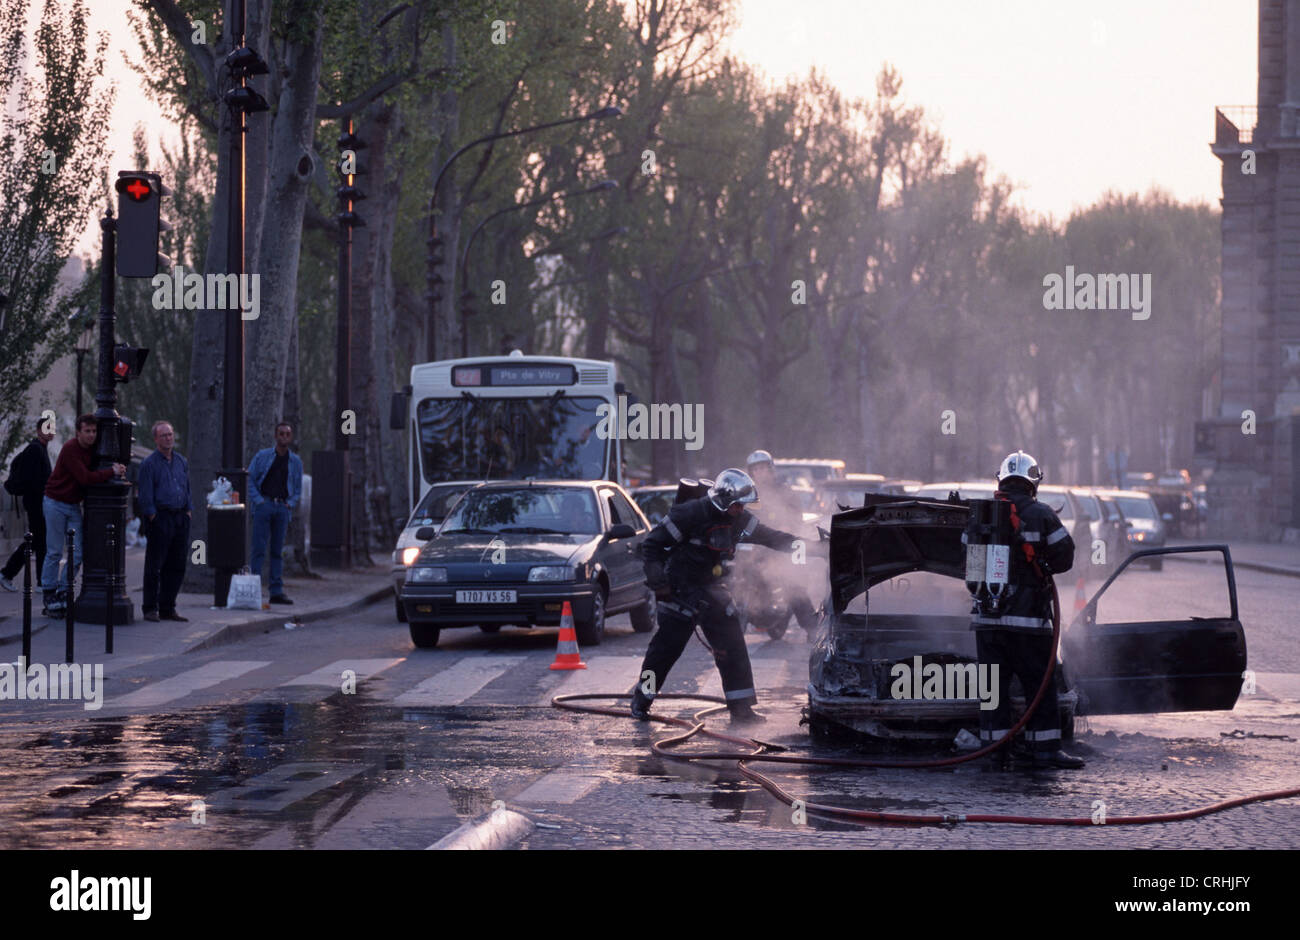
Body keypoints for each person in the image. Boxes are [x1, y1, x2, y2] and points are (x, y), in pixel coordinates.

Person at [630, 468, 807, 725]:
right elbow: (652, 545)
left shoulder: (739, 520)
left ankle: (741, 709)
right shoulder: (689, 514)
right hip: (678, 591)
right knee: (663, 653)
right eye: (737, 506)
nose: (741, 511)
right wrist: (659, 583)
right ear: (723, 500)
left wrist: (806, 546)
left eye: (742, 506)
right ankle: (641, 701)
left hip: (711, 588)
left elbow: (771, 537)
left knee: (733, 646)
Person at [969, 450, 1082, 769]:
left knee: (991, 690)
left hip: (987, 624)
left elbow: (967, 563)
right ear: (1033, 483)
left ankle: (993, 751)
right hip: (1029, 623)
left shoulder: (981, 514)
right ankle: (1043, 751)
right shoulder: (1042, 514)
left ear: (1001, 480)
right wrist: (1042, 565)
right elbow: (1065, 555)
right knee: (1039, 686)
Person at [41, 415, 126, 615]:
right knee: (54, 551)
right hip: (55, 502)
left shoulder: (94, 450)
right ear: (78, 432)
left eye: (94, 431)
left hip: (73, 505)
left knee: (78, 552)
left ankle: (63, 591)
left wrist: (115, 468)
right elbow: (85, 478)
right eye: (87, 431)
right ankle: (49, 593)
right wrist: (112, 472)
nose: (91, 435)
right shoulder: (71, 449)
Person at [744, 449, 819, 639]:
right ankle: (767, 616)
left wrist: (785, 527)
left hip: (790, 543)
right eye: (756, 469)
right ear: (751, 473)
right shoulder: (749, 495)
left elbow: (795, 518)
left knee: (794, 583)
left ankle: (812, 628)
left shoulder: (784, 491)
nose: (760, 473)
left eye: (763, 468)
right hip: (762, 544)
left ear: (771, 469)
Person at [137, 420, 192, 622]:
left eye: (170, 434)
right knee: (155, 565)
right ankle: (150, 608)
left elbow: (187, 487)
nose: (168, 438)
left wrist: (188, 511)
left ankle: (168, 607)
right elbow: (144, 495)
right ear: (156, 439)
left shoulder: (181, 461)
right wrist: (153, 516)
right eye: (163, 435)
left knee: (177, 564)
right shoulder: (149, 464)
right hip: (161, 517)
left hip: (180, 516)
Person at [247, 421, 303, 605]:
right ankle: (253, 590)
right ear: (275, 436)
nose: (284, 437)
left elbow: (297, 488)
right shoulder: (263, 456)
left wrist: (290, 504)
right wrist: (259, 501)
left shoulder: (295, 461)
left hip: (282, 508)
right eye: (281, 433)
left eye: (287, 434)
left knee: (277, 551)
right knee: (258, 549)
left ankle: (276, 591)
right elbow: (250, 479)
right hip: (265, 505)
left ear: (291, 437)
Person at [0, 420, 55, 593]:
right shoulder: (35, 449)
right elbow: (32, 479)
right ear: (39, 430)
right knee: (37, 540)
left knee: (38, 541)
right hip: (36, 502)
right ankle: (12, 575)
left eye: (52, 429)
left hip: (39, 501)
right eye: (47, 428)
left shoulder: (41, 449)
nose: (50, 432)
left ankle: (19, 576)